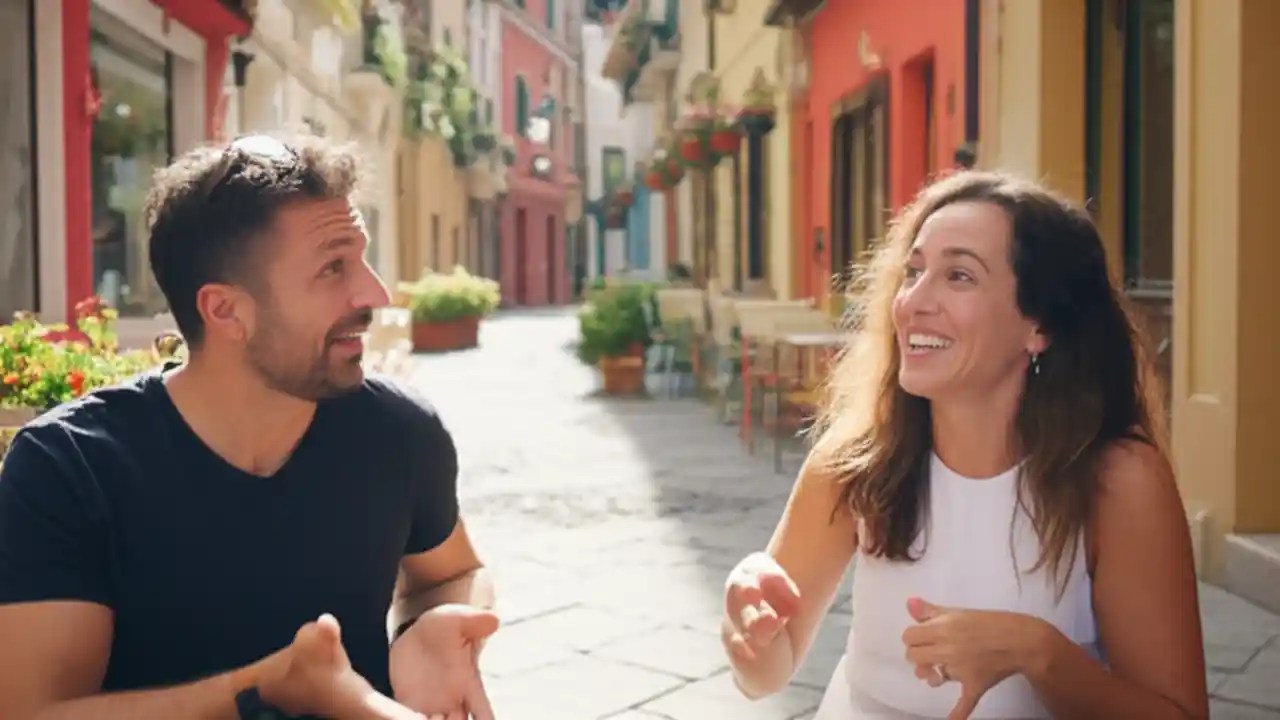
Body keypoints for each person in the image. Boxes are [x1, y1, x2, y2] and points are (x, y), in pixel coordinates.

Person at [0, 133, 499, 720]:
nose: (375, 293)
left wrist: (430, 624)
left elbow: (454, 569)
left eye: (361, 258)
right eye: (333, 268)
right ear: (226, 310)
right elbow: (33, 711)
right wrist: (262, 691)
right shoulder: (70, 467)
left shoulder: (399, 431)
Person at [721, 170, 1208, 719]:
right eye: (914, 271)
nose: (912, 302)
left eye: (958, 276)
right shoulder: (856, 456)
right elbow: (766, 674)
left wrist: (1039, 653)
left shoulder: (1118, 479)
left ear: (1039, 325)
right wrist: (750, 631)